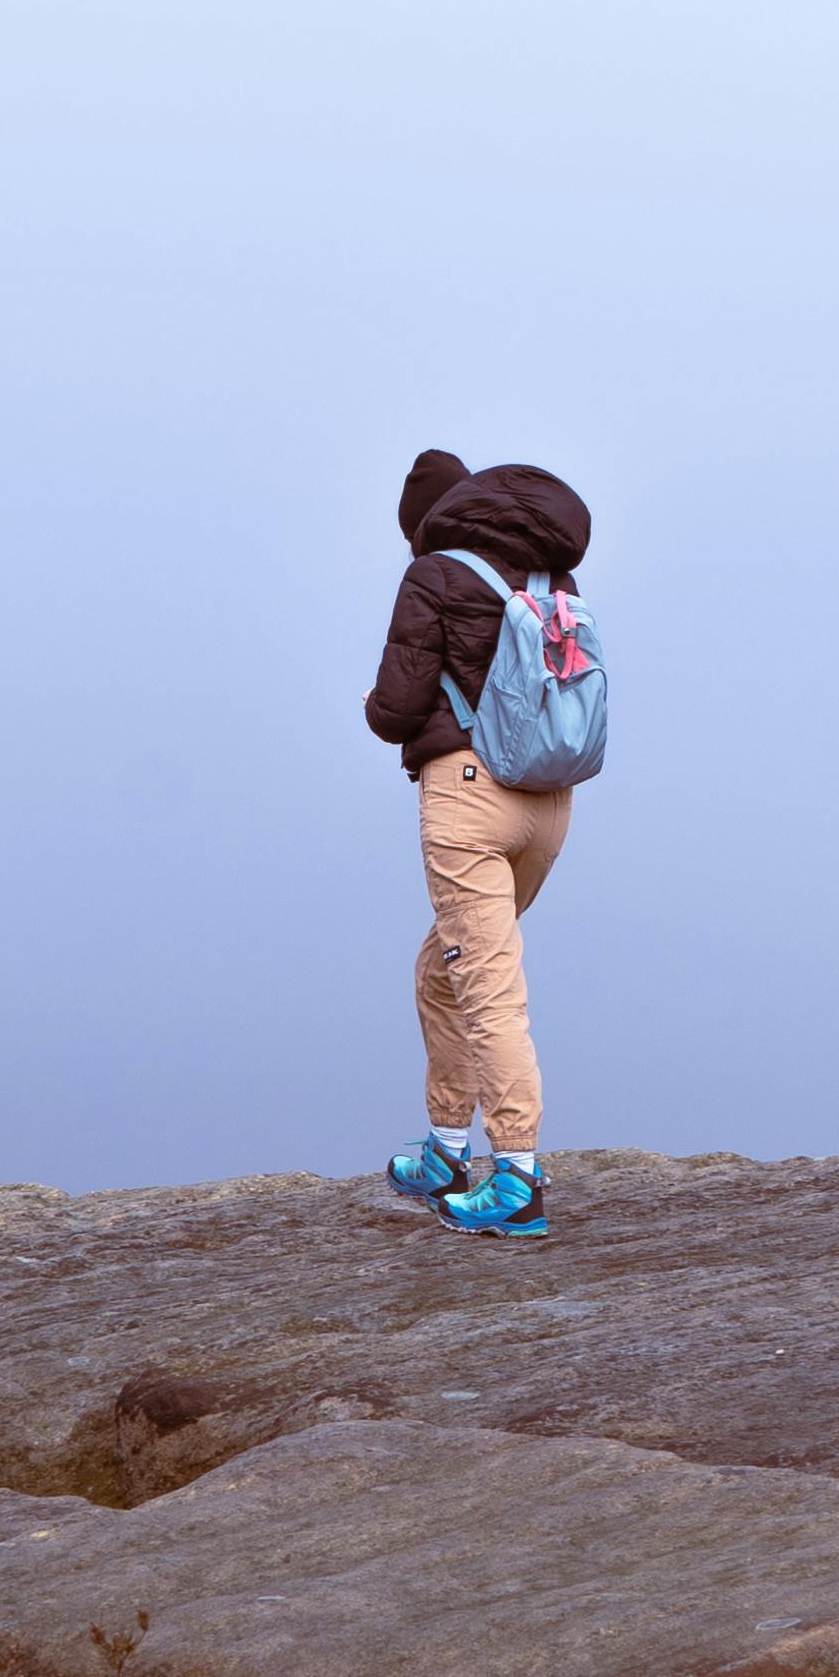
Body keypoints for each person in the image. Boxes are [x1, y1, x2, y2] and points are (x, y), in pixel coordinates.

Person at [365, 443, 592, 1235]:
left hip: (468, 797)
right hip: (549, 802)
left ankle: (517, 1178)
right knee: (444, 969)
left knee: (487, 984)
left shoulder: (432, 575)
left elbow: (396, 709)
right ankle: (444, 1148)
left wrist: (373, 700)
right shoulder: (547, 580)